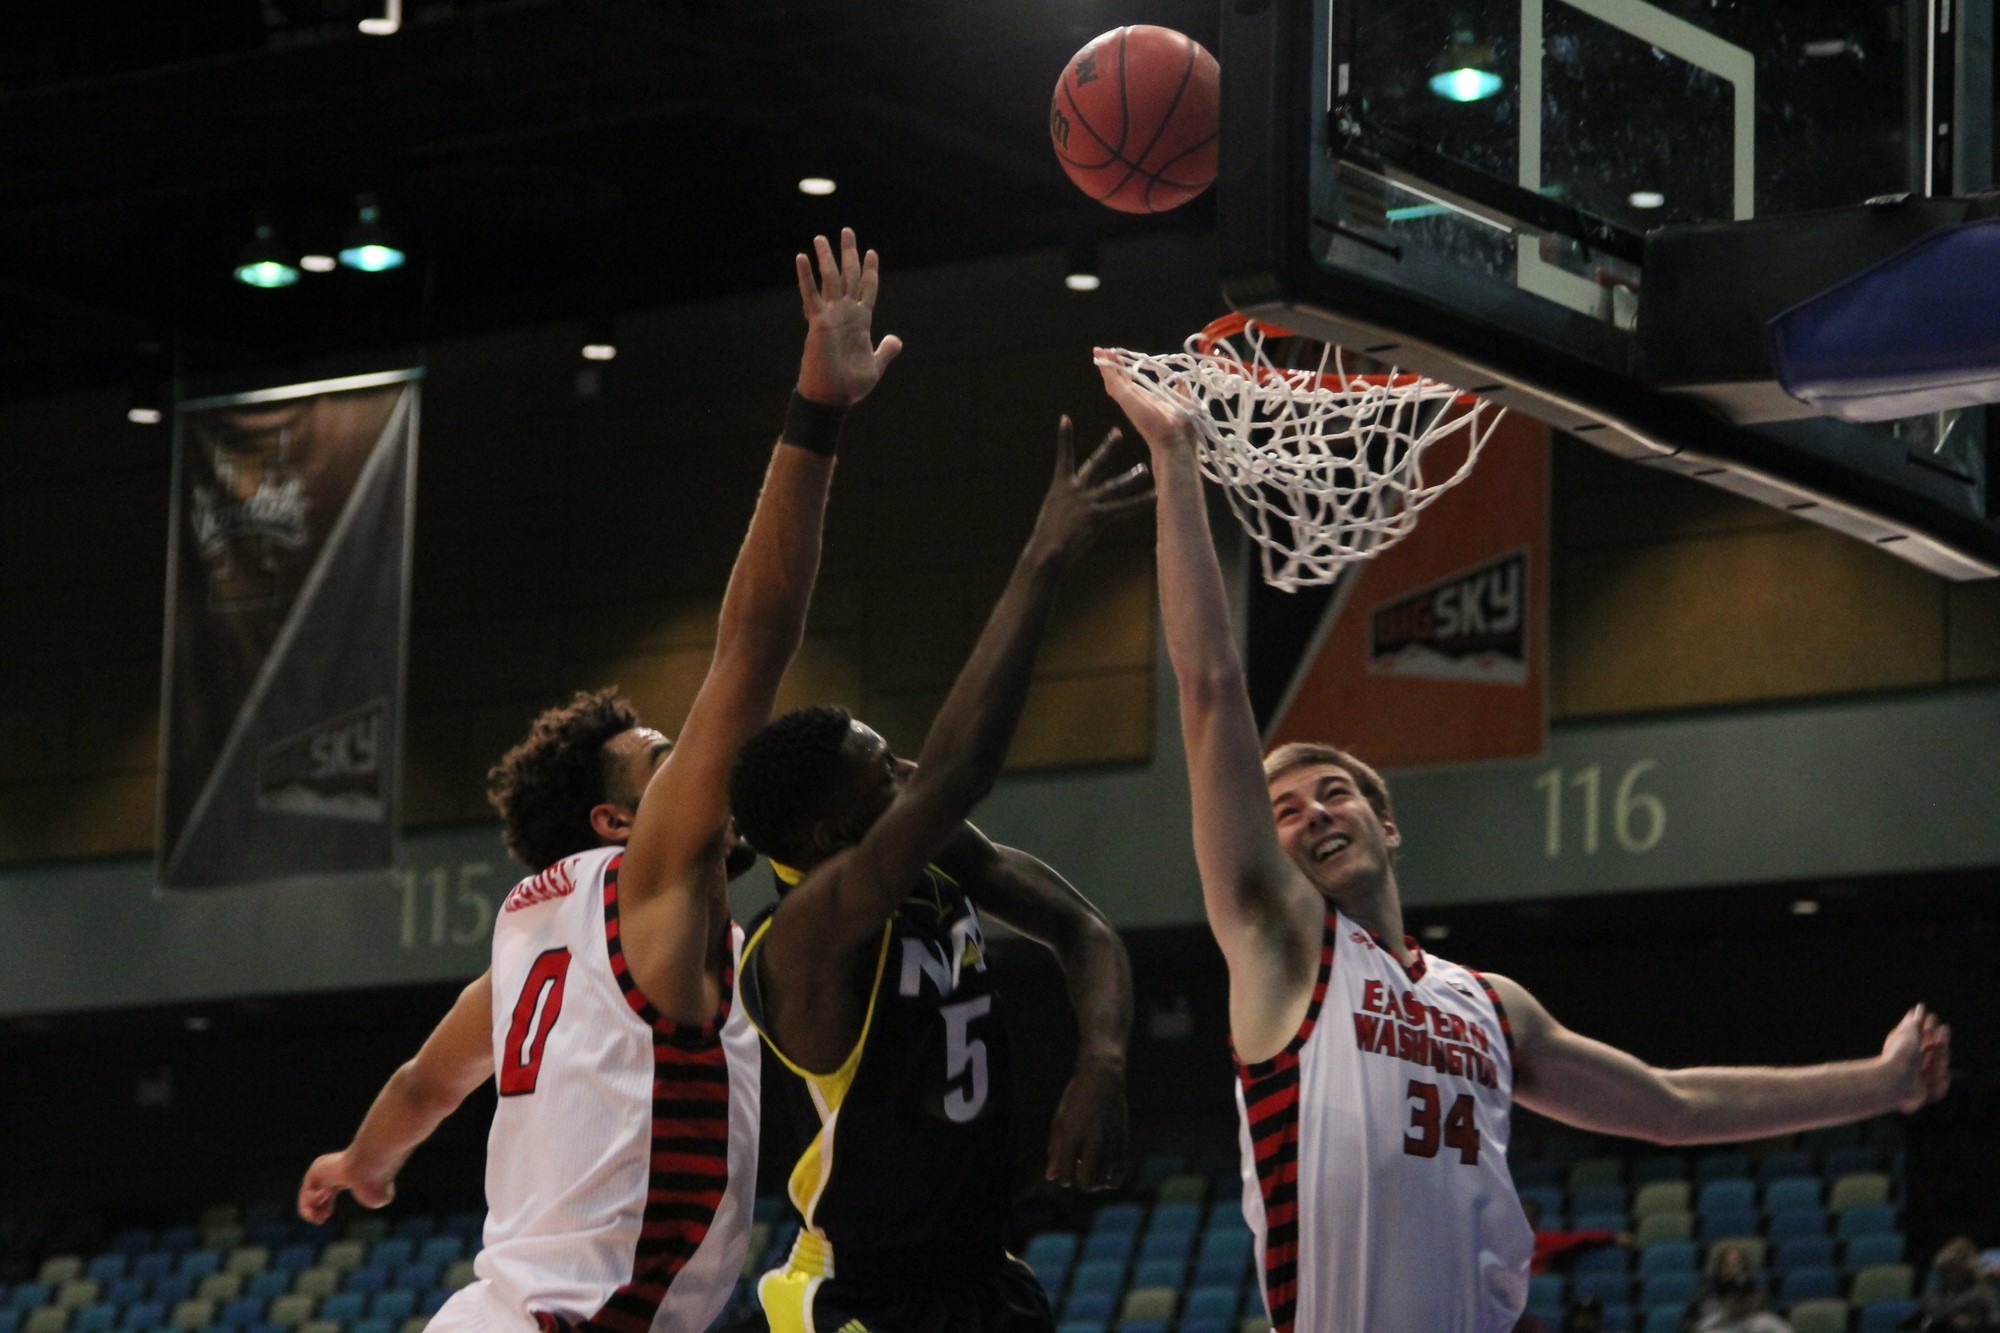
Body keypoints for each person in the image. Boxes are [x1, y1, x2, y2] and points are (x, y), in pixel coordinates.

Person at [1096, 359, 1955, 1333]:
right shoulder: (1285, 950)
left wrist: (1879, 1084)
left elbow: (1670, 1103)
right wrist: (1173, 457)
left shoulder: (1487, 1006)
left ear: (1386, 825)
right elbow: (1209, 689)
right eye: (1282, 810)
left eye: (1332, 793)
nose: (1309, 815)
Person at [295, 228, 904, 1333]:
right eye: (666, 763)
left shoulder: (529, 946)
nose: (698, 772)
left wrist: (361, 1160)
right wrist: (816, 414)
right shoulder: (647, 889)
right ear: (618, 821)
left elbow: (425, 1088)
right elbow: (751, 644)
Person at [726, 419, 1150, 1333]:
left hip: (982, 1277)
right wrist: (1042, 559)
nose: (910, 773)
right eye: (886, 774)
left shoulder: (941, 862)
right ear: (836, 830)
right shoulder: (801, 937)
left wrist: (1103, 1062)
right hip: (859, 1297)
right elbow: (963, 768)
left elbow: (1087, 931)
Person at [1921, 1237, 2000, 1331]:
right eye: (1944, 1271)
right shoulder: (1934, 1294)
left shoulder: (1983, 1293)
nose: (1946, 1276)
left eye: (1952, 1270)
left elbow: (1995, 1322)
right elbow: (1927, 1318)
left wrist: (1973, 1323)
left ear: (1964, 1270)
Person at [1690, 1272, 1791, 1333]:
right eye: (1736, 1297)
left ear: (1755, 1298)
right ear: (1726, 1298)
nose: (1742, 1301)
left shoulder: (1771, 1324)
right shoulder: (1709, 1324)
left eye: (1746, 1296)